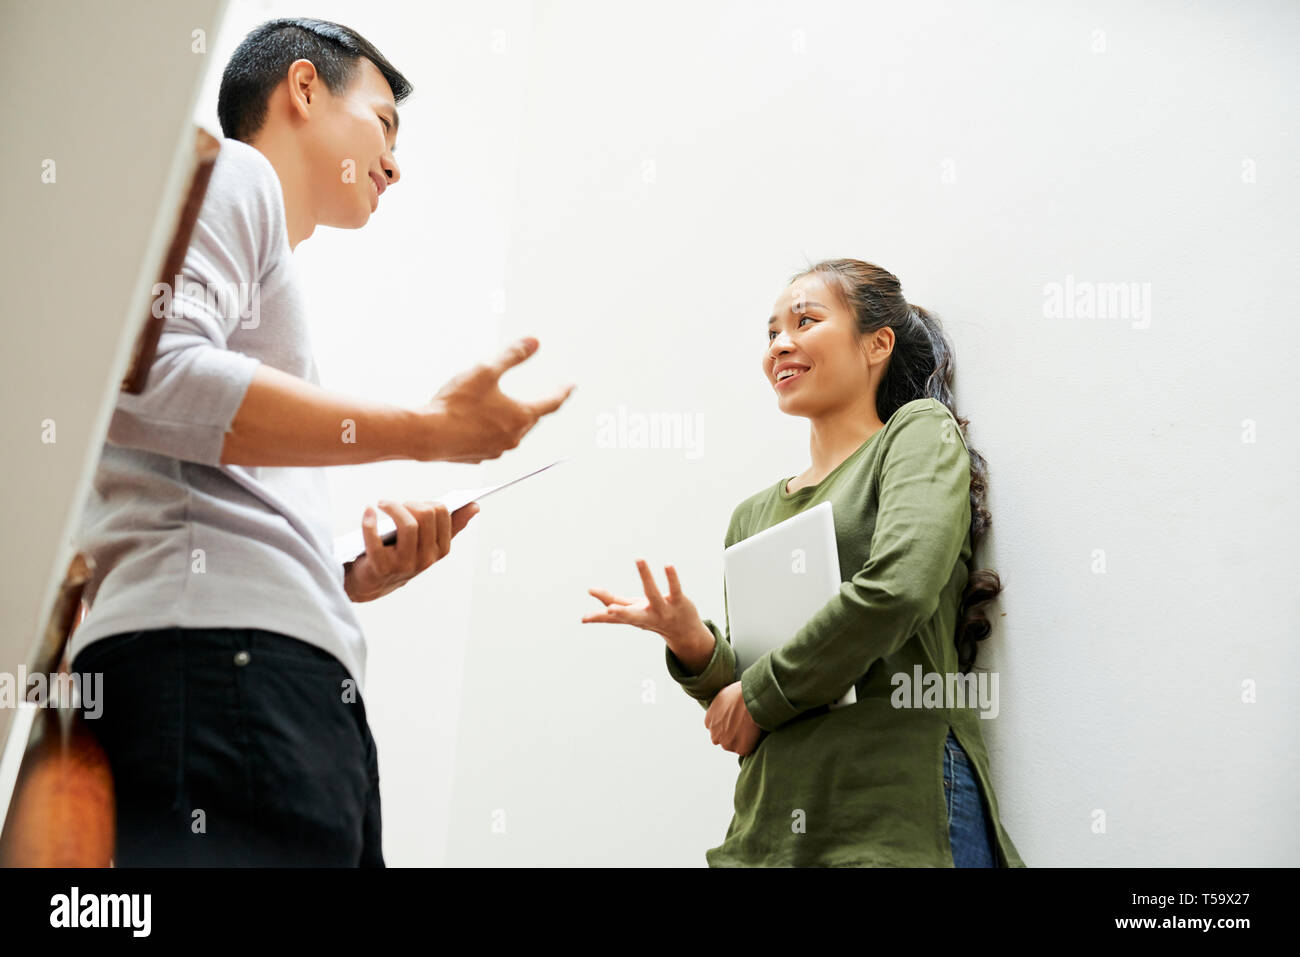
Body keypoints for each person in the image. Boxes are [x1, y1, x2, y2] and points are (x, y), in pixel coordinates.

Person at [69, 17, 574, 866]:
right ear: (303, 88)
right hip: (228, 668)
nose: (395, 160)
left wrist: (348, 570)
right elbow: (153, 377)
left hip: (260, 670)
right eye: (383, 122)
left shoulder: (259, 248)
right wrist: (429, 432)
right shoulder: (237, 176)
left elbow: (195, 463)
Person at [583, 258, 1025, 867]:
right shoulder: (752, 514)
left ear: (877, 344)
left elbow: (899, 588)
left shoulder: (916, 434)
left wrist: (758, 695)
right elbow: (742, 699)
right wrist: (691, 642)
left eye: (805, 321)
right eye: (770, 333)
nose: (779, 345)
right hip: (767, 829)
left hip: (891, 815)